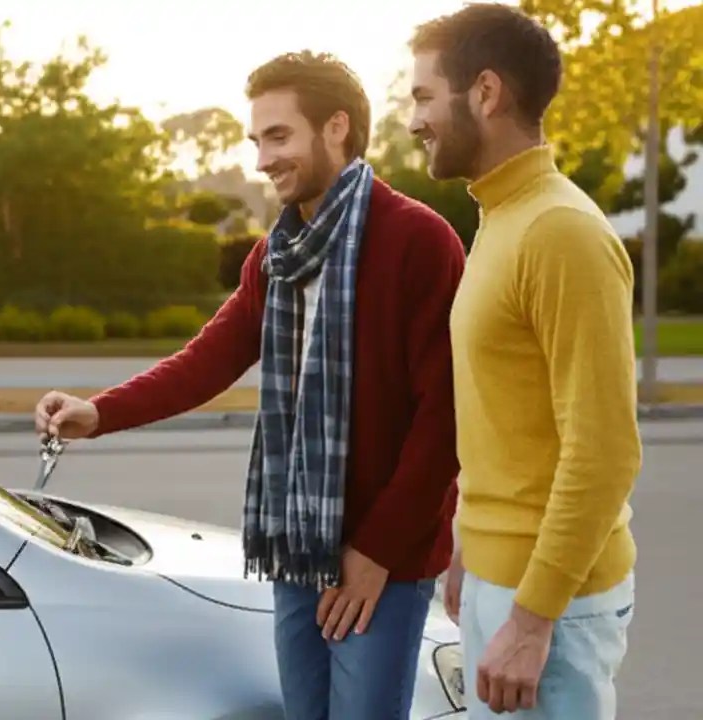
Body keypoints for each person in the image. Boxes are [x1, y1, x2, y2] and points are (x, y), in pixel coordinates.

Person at [35, 50, 465, 719]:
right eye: (257, 140)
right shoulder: (278, 252)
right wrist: (98, 413)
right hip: (297, 545)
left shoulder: (417, 240)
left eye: (278, 136)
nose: (263, 159)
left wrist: (377, 551)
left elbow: (446, 417)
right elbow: (209, 358)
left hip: (383, 560)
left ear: (337, 129)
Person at [407, 4, 642, 718]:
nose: (414, 119)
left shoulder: (560, 232)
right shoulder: (503, 219)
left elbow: (603, 452)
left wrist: (533, 619)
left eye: (422, 96)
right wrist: (469, 546)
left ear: (485, 91)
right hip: (504, 586)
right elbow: (511, 418)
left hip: (552, 611)